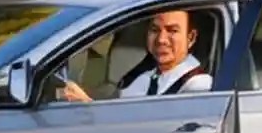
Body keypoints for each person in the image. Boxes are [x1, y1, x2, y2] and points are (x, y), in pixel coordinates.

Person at [61, 10, 212, 102]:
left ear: (191, 38)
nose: (161, 39)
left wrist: (87, 105)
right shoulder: (141, 79)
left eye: (172, 31)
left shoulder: (199, 85)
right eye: (155, 30)